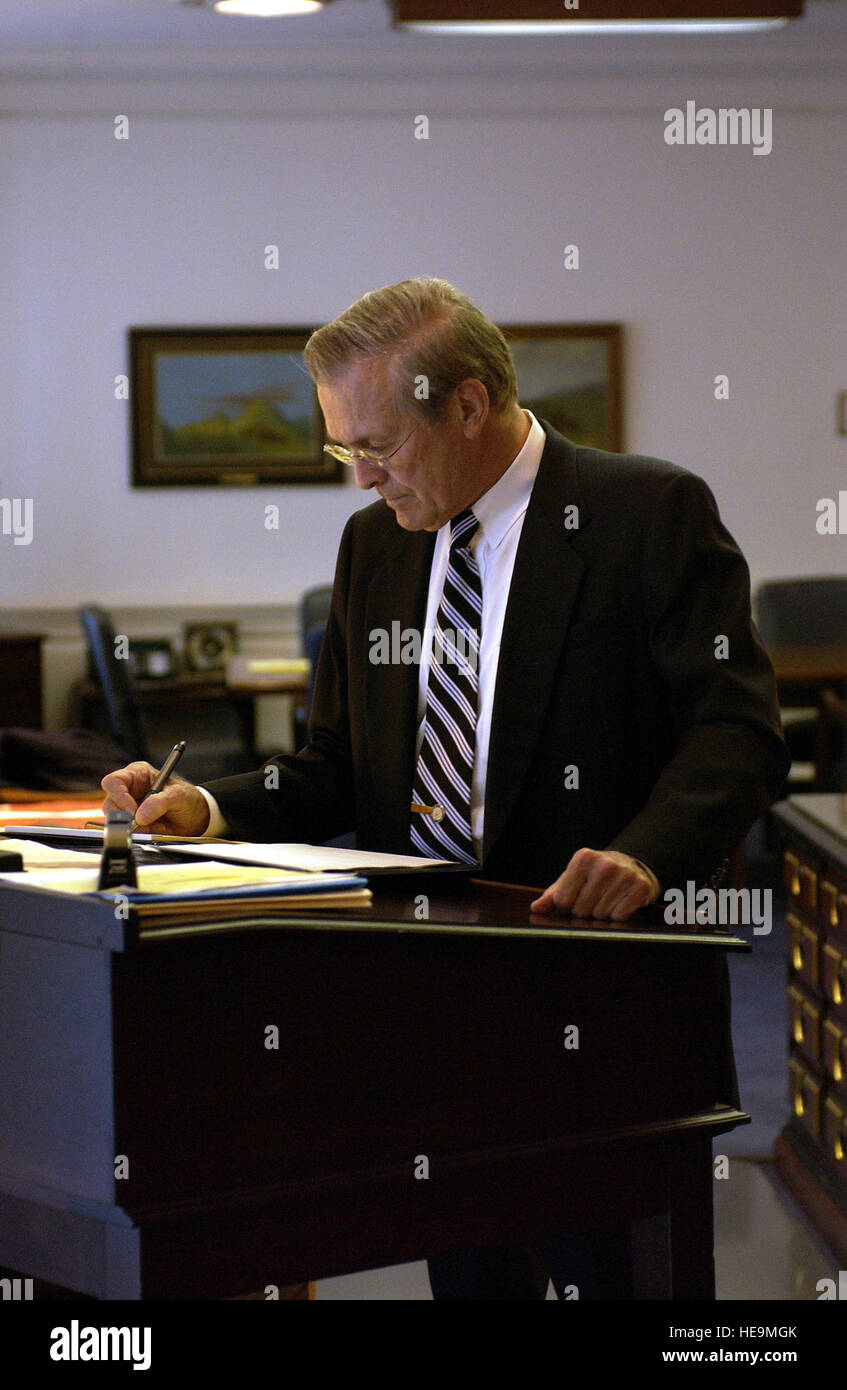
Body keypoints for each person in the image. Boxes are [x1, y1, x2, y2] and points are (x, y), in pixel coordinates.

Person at [102, 277, 790, 1298]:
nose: (360, 477)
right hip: (429, 997)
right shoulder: (374, 546)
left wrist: (645, 853)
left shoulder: (646, 511)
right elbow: (336, 765)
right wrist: (202, 806)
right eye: (344, 449)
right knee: (472, 1281)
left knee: (616, 1278)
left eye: (374, 444)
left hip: (602, 996)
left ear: (468, 405)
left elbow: (736, 731)